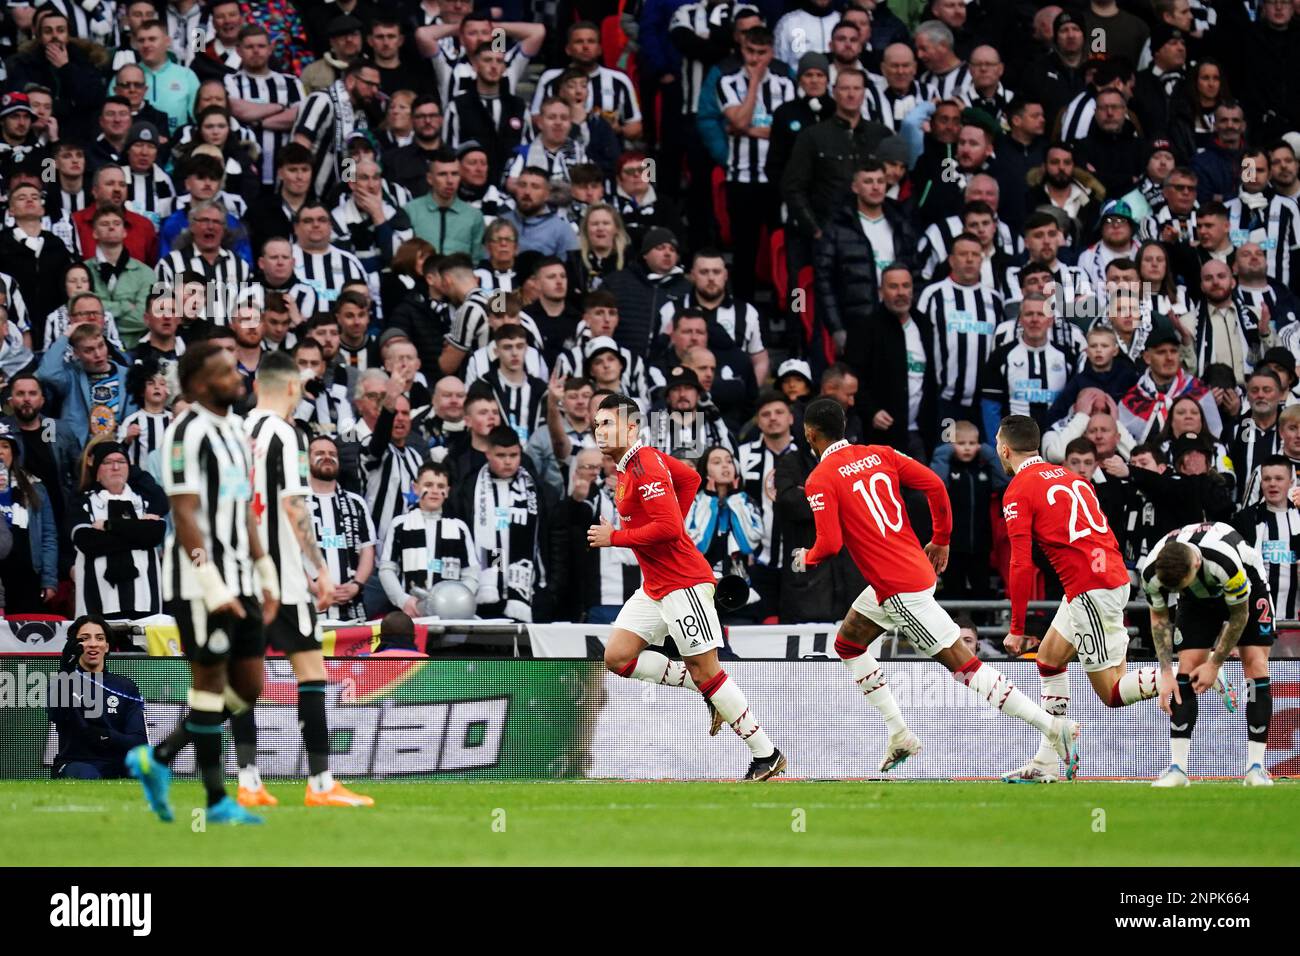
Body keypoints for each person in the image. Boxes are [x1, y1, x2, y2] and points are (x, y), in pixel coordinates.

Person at [791, 397, 1079, 773]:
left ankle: (1053, 726)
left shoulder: (819, 478)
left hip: (899, 590)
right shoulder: (880, 454)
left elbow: (828, 545)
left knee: (965, 667)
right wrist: (941, 538)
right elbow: (933, 485)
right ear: (844, 426)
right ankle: (899, 734)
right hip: (904, 575)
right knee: (848, 643)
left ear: (809, 433)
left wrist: (805, 557)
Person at [589, 394, 786, 781]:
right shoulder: (635, 465)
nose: (599, 431)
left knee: (707, 670)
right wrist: (665, 519)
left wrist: (617, 537)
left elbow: (668, 529)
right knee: (618, 657)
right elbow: (691, 478)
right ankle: (707, 693)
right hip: (656, 586)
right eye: (597, 424)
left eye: (608, 423)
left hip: (684, 583)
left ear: (631, 427)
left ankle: (768, 754)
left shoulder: (644, 464)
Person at [125, 341, 279, 825]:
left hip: (243, 576)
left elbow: (246, 510)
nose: (237, 377)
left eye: (235, 369)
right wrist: (212, 584)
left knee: (248, 687)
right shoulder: (184, 432)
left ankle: (161, 757)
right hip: (198, 582)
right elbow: (185, 513)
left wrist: (266, 572)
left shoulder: (237, 429)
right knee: (209, 684)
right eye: (223, 371)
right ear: (196, 384)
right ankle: (216, 801)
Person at [231, 350, 373, 809]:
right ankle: (320, 783)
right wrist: (320, 568)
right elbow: (295, 506)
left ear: (256, 386)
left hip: (240, 574)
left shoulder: (235, 431)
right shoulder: (282, 433)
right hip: (283, 578)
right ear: (292, 388)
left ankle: (249, 783)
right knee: (311, 672)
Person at [995, 414, 1159, 783]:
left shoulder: (1019, 489)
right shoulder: (1074, 478)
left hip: (1090, 589)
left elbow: (1020, 562)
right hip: (1102, 580)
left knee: (1114, 693)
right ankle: (1047, 762)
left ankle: (1189, 675)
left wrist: (1017, 628)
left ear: (1004, 448)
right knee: (1050, 660)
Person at [1138, 521, 1276, 787]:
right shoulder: (1153, 572)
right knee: (1185, 670)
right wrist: (1166, 672)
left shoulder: (1223, 561)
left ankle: (1255, 769)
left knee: (1256, 663)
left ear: (1195, 566)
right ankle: (1178, 769)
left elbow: (1239, 616)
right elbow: (1159, 618)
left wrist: (1214, 663)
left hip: (1247, 588)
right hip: (1197, 597)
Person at [70, 440, 167, 620]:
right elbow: (87, 542)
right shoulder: (82, 501)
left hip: (144, 598)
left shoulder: (145, 500)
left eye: (121, 461)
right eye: (107, 462)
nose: (115, 467)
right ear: (97, 470)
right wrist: (138, 532)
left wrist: (109, 526)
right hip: (98, 600)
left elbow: (154, 535)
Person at [48, 615, 148, 780]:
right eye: (84, 639)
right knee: (88, 774)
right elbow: (56, 714)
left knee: (144, 771)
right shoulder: (62, 682)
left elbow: (139, 741)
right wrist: (65, 669)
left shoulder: (125, 687)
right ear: (73, 645)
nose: (93, 644)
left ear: (107, 646)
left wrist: (107, 736)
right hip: (74, 763)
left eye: (100, 638)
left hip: (116, 763)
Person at [380, 461, 481, 617]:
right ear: (415, 488)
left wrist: (457, 600)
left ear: (447, 491)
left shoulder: (459, 528)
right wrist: (403, 600)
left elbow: (471, 573)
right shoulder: (400, 524)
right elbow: (387, 569)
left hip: (450, 613)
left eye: (441, 486)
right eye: (428, 485)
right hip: (411, 612)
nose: (434, 491)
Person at [0, 417, 58, 613]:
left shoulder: (35, 487)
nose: (0, 451)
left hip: (27, 575)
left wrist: (49, 578)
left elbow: (48, 536)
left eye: (5, 446)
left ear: (13, 452)